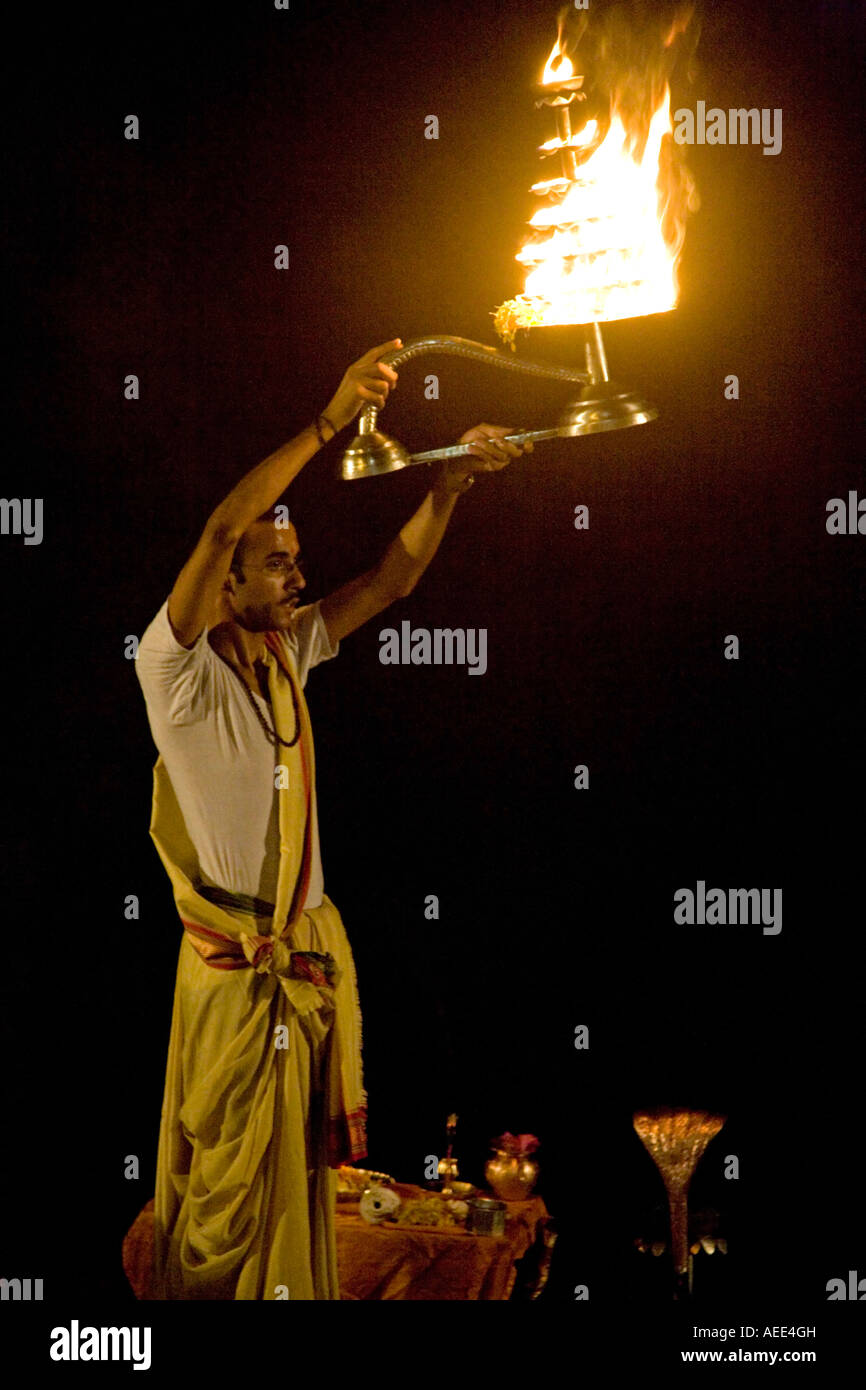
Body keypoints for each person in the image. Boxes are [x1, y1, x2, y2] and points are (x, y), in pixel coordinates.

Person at [135, 338, 532, 1300]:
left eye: (298, 562)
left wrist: (452, 486)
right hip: (239, 971)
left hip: (306, 949)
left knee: (296, 1185)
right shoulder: (175, 666)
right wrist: (329, 420)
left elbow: (390, 585)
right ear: (225, 581)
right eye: (276, 565)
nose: (297, 579)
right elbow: (226, 523)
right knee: (231, 1184)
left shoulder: (287, 654)